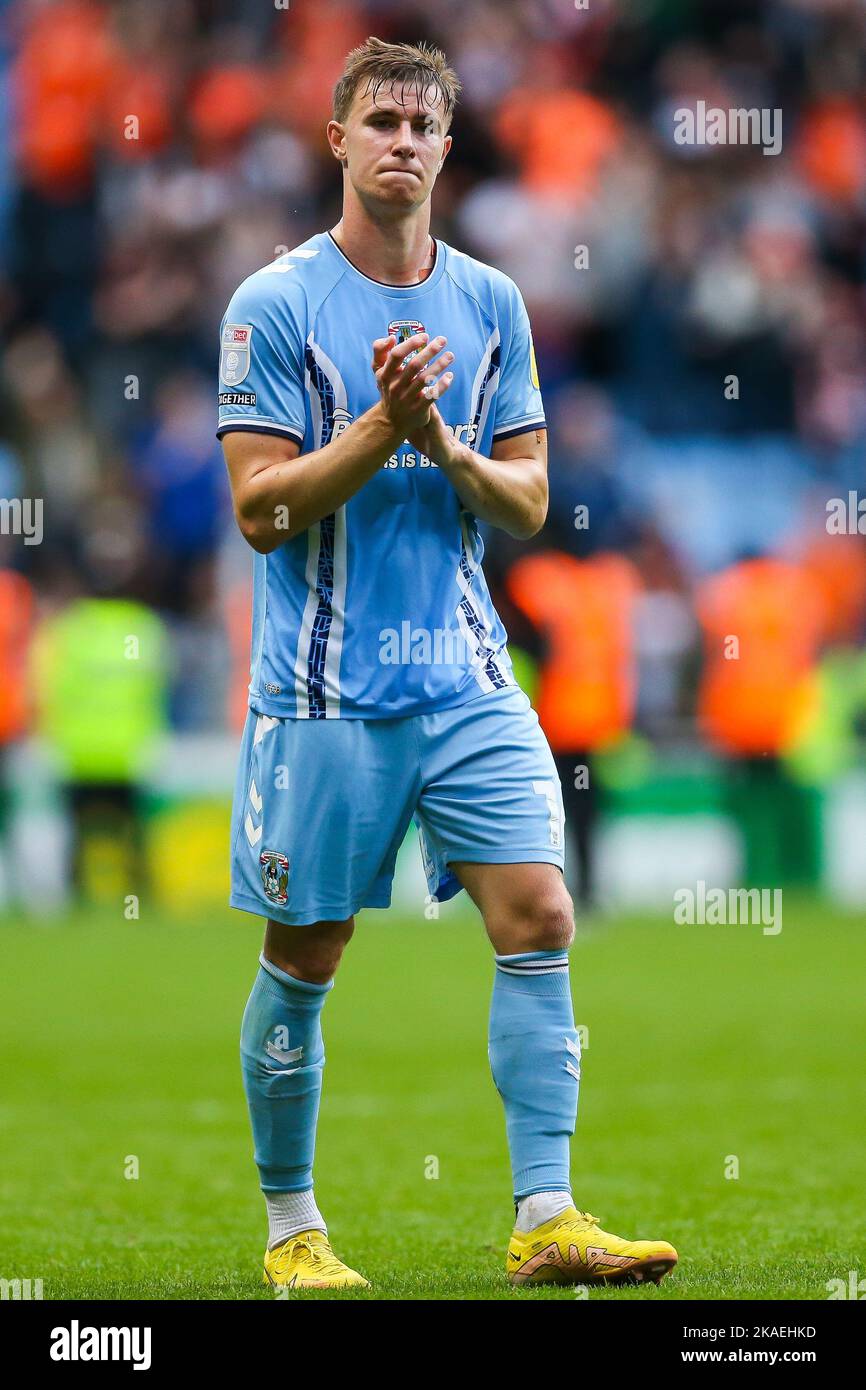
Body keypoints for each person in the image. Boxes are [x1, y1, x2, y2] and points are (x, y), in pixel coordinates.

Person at [218, 36, 677, 1291]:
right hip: (322, 697)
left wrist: (445, 446)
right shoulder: (272, 305)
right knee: (305, 959)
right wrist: (382, 428)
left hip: (465, 678)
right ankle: (293, 1231)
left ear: (447, 147)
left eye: (422, 126)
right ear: (337, 140)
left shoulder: (490, 302)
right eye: (379, 123)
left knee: (538, 915)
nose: (402, 144)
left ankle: (545, 1215)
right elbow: (260, 510)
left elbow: (525, 503)